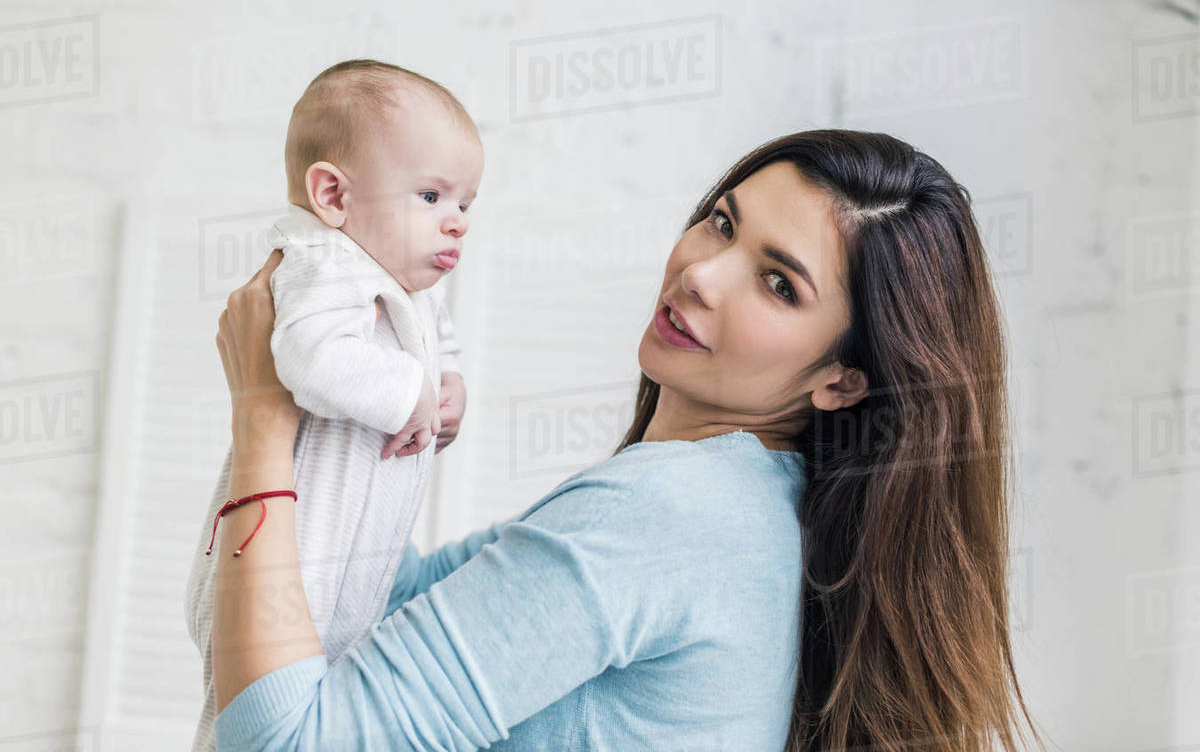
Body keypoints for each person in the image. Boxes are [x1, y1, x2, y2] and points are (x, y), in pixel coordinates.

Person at [205, 130, 1047, 752]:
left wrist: (264, 417)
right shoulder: (750, 505)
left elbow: (282, 742)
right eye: (722, 222)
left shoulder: (670, 516)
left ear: (842, 380)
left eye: (778, 282)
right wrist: (366, 373)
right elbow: (390, 598)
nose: (701, 273)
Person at [185, 59, 483, 752]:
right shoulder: (324, 262)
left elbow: (438, 348)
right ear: (332, 195)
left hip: (344, 570)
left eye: (466, 203)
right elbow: (308, 358)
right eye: (433, 195)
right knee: (234, 719)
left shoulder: (409, 286)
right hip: (278, 560)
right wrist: (410, 393)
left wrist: (448, 389)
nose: (457, 223)